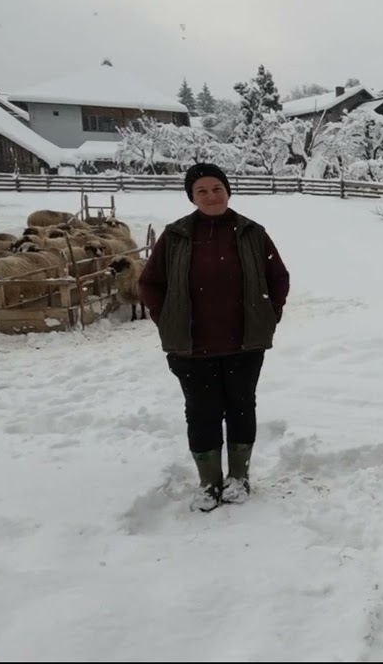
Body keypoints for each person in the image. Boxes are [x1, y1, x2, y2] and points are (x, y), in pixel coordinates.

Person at [139, 162, 291, 512]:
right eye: (201, 191)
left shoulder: (252, 232)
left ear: (228, 191)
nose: (211, 196)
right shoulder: (176, 235)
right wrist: (167, 320)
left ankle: (239, 477)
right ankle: (209, 483)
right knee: (202, 412)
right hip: (191, 347)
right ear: (192, 197)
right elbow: (150, 283)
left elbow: (277, 278)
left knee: (241, 407)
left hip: (244, 342)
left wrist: (269, 314)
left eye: (216, 188)